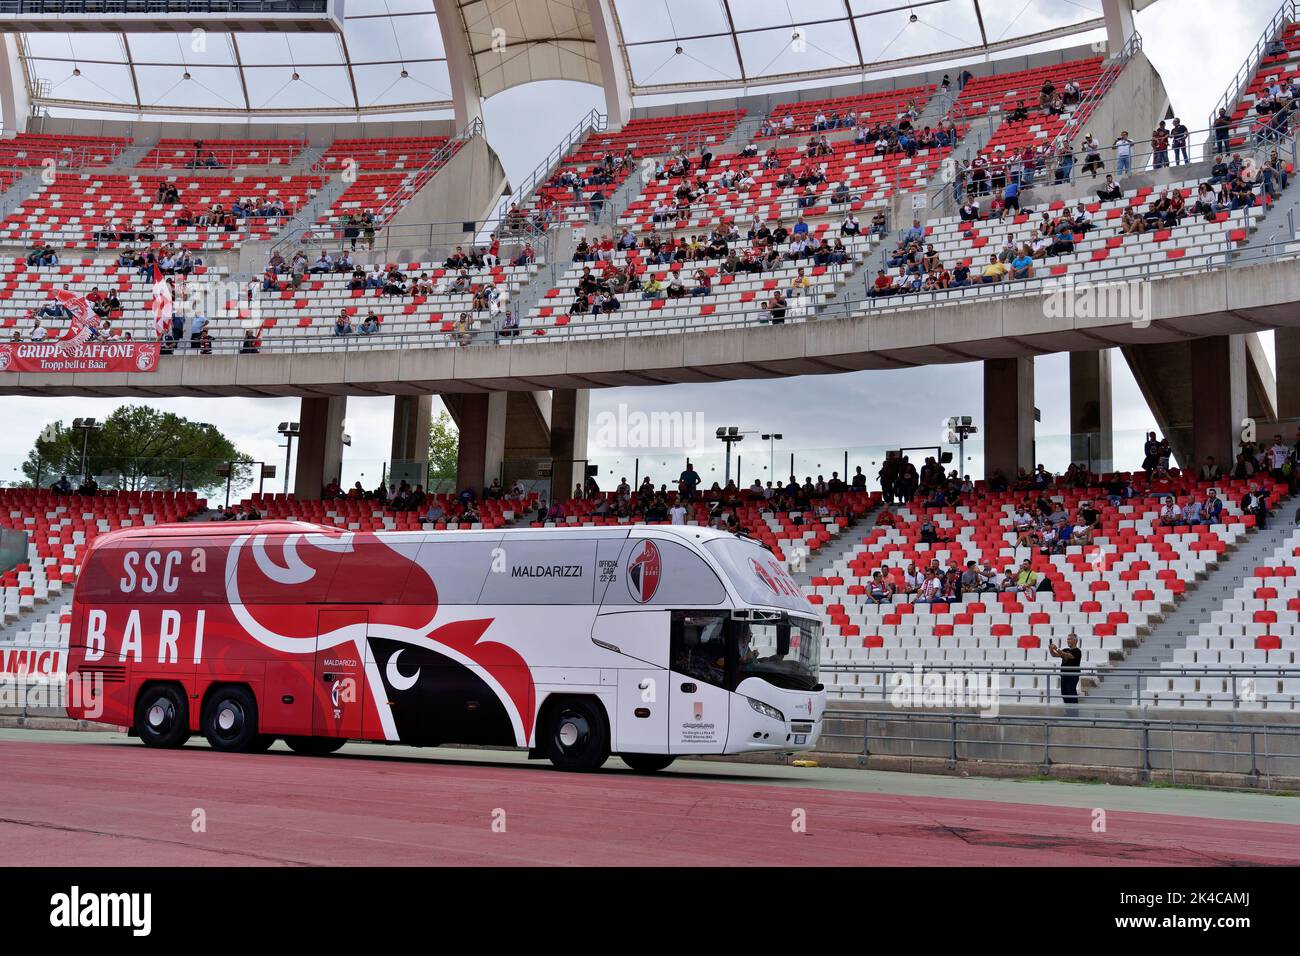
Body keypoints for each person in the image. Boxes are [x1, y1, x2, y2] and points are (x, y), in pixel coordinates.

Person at [1049, 634, 1083, 705]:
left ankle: (1074, 713)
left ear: (1075, 640)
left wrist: (1056, 648)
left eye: (1070, 639)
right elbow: (1054, 655)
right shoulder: (1065, 650)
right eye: (1067, 639)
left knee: (1071, 694)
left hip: (1072, 676)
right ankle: (1068, 712)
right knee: (1065, 694)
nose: (1068, 641)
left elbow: (1068, 655)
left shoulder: (1077, 651)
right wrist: (1051, 649)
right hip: (1064, 675)